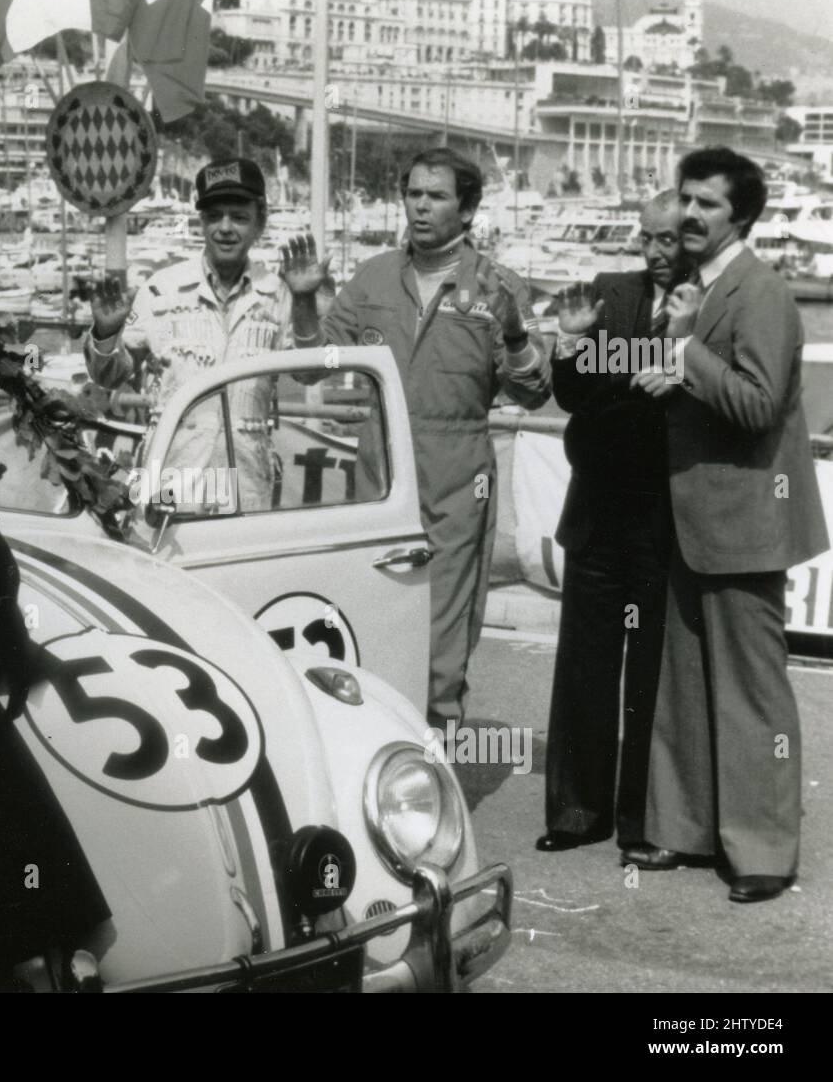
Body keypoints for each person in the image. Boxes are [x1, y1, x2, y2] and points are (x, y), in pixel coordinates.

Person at [283, 147, 551, 731]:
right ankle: (374, 765)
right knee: (369, 620)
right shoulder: (374, 276)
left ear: (468, 208)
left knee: (442, 638)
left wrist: (510, 331)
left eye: (437, 196)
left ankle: (433, 775)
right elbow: (310, 367)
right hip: (379, 472)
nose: (420, 207)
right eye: (413, 194)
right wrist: (305, 301)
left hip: (458, 474)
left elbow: (533, 392)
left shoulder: (499, 286)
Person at [621, 149, 828, 903]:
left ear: (741, 216)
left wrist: (684, 358)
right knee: (684, 684)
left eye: (707, 203)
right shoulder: (697, 287)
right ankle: (685, 829)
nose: (691, 214)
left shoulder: (761, 292)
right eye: (686, 199)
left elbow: (758, 405)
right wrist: (675, 363)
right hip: (696, 514)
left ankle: (765, 851)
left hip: (745, 519)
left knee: (749, 695)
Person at [536, 191, 688, 854]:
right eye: (648, 238)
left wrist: (618, 376)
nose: (656, 253)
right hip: (598, 515)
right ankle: (579, 810)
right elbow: (572, 394)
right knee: (585, 670)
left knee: (653, 677)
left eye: (671, 241)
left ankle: (642, 821)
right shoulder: (607, 293)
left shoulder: (707, 304)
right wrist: (570, 344)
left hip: (666, 521)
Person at [85, 158, 303, 512]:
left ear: (260, 221)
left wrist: (306, 303)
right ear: (201, 221)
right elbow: (109, 375)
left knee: (240, 562)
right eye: (215, 216)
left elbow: (311, 372)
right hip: (169, 474)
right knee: (160, 554)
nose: (226, 228)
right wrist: (106, 334)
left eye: (239, 216)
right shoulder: (160, 290)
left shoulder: (278, 293)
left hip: (244, 481)